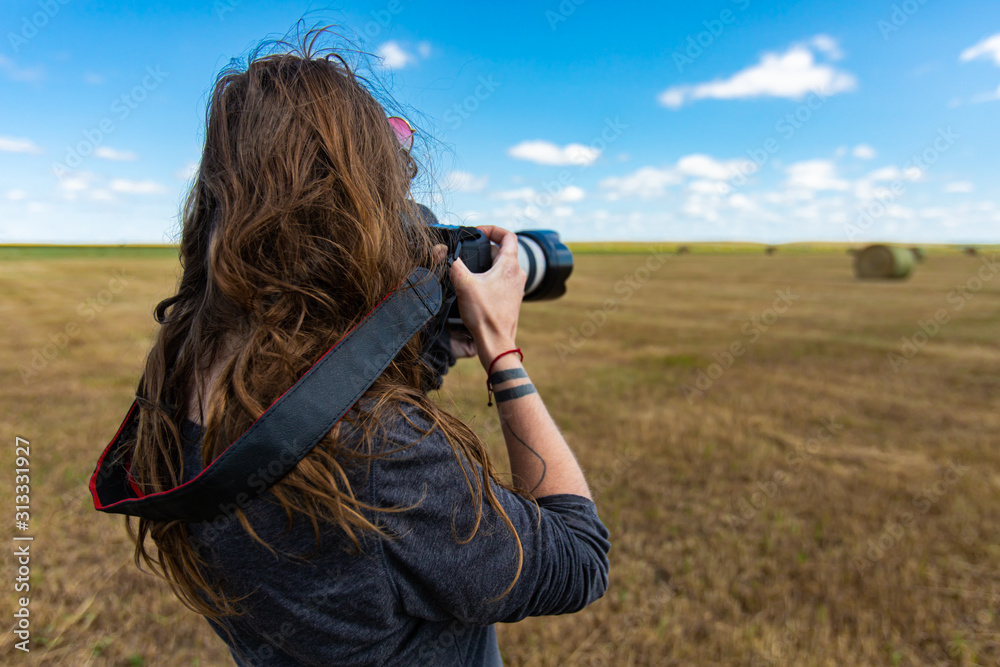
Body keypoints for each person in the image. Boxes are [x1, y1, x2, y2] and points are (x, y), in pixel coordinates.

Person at [122, 30, 610, 666]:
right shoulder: (378, 453)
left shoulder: (185, 363)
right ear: (357, 208)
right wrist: (501, 351)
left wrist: (434, 346)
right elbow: (578, 558)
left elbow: (324, 396)